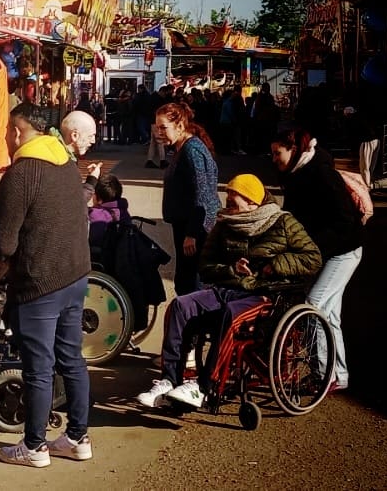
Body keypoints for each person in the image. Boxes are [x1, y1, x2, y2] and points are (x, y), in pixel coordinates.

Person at [135, 174, 321, 409]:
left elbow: (312, 258)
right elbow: (205, 267)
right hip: (228, 287)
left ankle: (203, 387)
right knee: (180, 305)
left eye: (234, 201)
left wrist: (274, 265)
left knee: (231, 314)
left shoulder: (283, 223)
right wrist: (232, 269)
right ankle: (169, 380)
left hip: (265, 294)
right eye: (228, 199)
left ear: (252, 202)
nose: (228, 205)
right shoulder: (224, 224)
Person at [0, 103, 92, 469]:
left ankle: (34, 446)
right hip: (76, 275)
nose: (4, 138)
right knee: (72, 359)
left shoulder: (21, 173)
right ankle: (78, 437)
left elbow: (4, 243)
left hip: (41, 282)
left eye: (5, 131)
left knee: (39, 367)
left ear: (18, 132)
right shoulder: (65, 161)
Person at [270, 128, 364, 391]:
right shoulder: (295, 174)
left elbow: (346, 222)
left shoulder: (321, 174)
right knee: (330, 314)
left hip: (344, 251)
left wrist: (311, 247)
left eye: (278, 153)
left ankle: (323, 374)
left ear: (294, 150)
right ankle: (339, 375)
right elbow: (291, 218)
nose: (274, 159)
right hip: (327, 251)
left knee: (313, 305)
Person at [156, 101, 220, 295]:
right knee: (185, 281)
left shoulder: (192, 150)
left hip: (195, 230)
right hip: (185, 227)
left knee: (192, 284)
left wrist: (192, 234)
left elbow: (204, 195)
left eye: (163, 128)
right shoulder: (182, 148)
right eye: (157, 127)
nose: (159, 132)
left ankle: (195, 322)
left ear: (180, 126)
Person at [58, 109, 102, 202]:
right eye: (90, 136)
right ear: (74, 135)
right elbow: (75, 202)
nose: (93, 141)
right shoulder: (61, 163)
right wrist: (92, 181)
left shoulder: (62, 155)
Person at [87, 174, 131, 250]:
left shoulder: (93, 214)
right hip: (121, 257)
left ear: (100, 200)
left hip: (99, 257)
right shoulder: (124, 213)